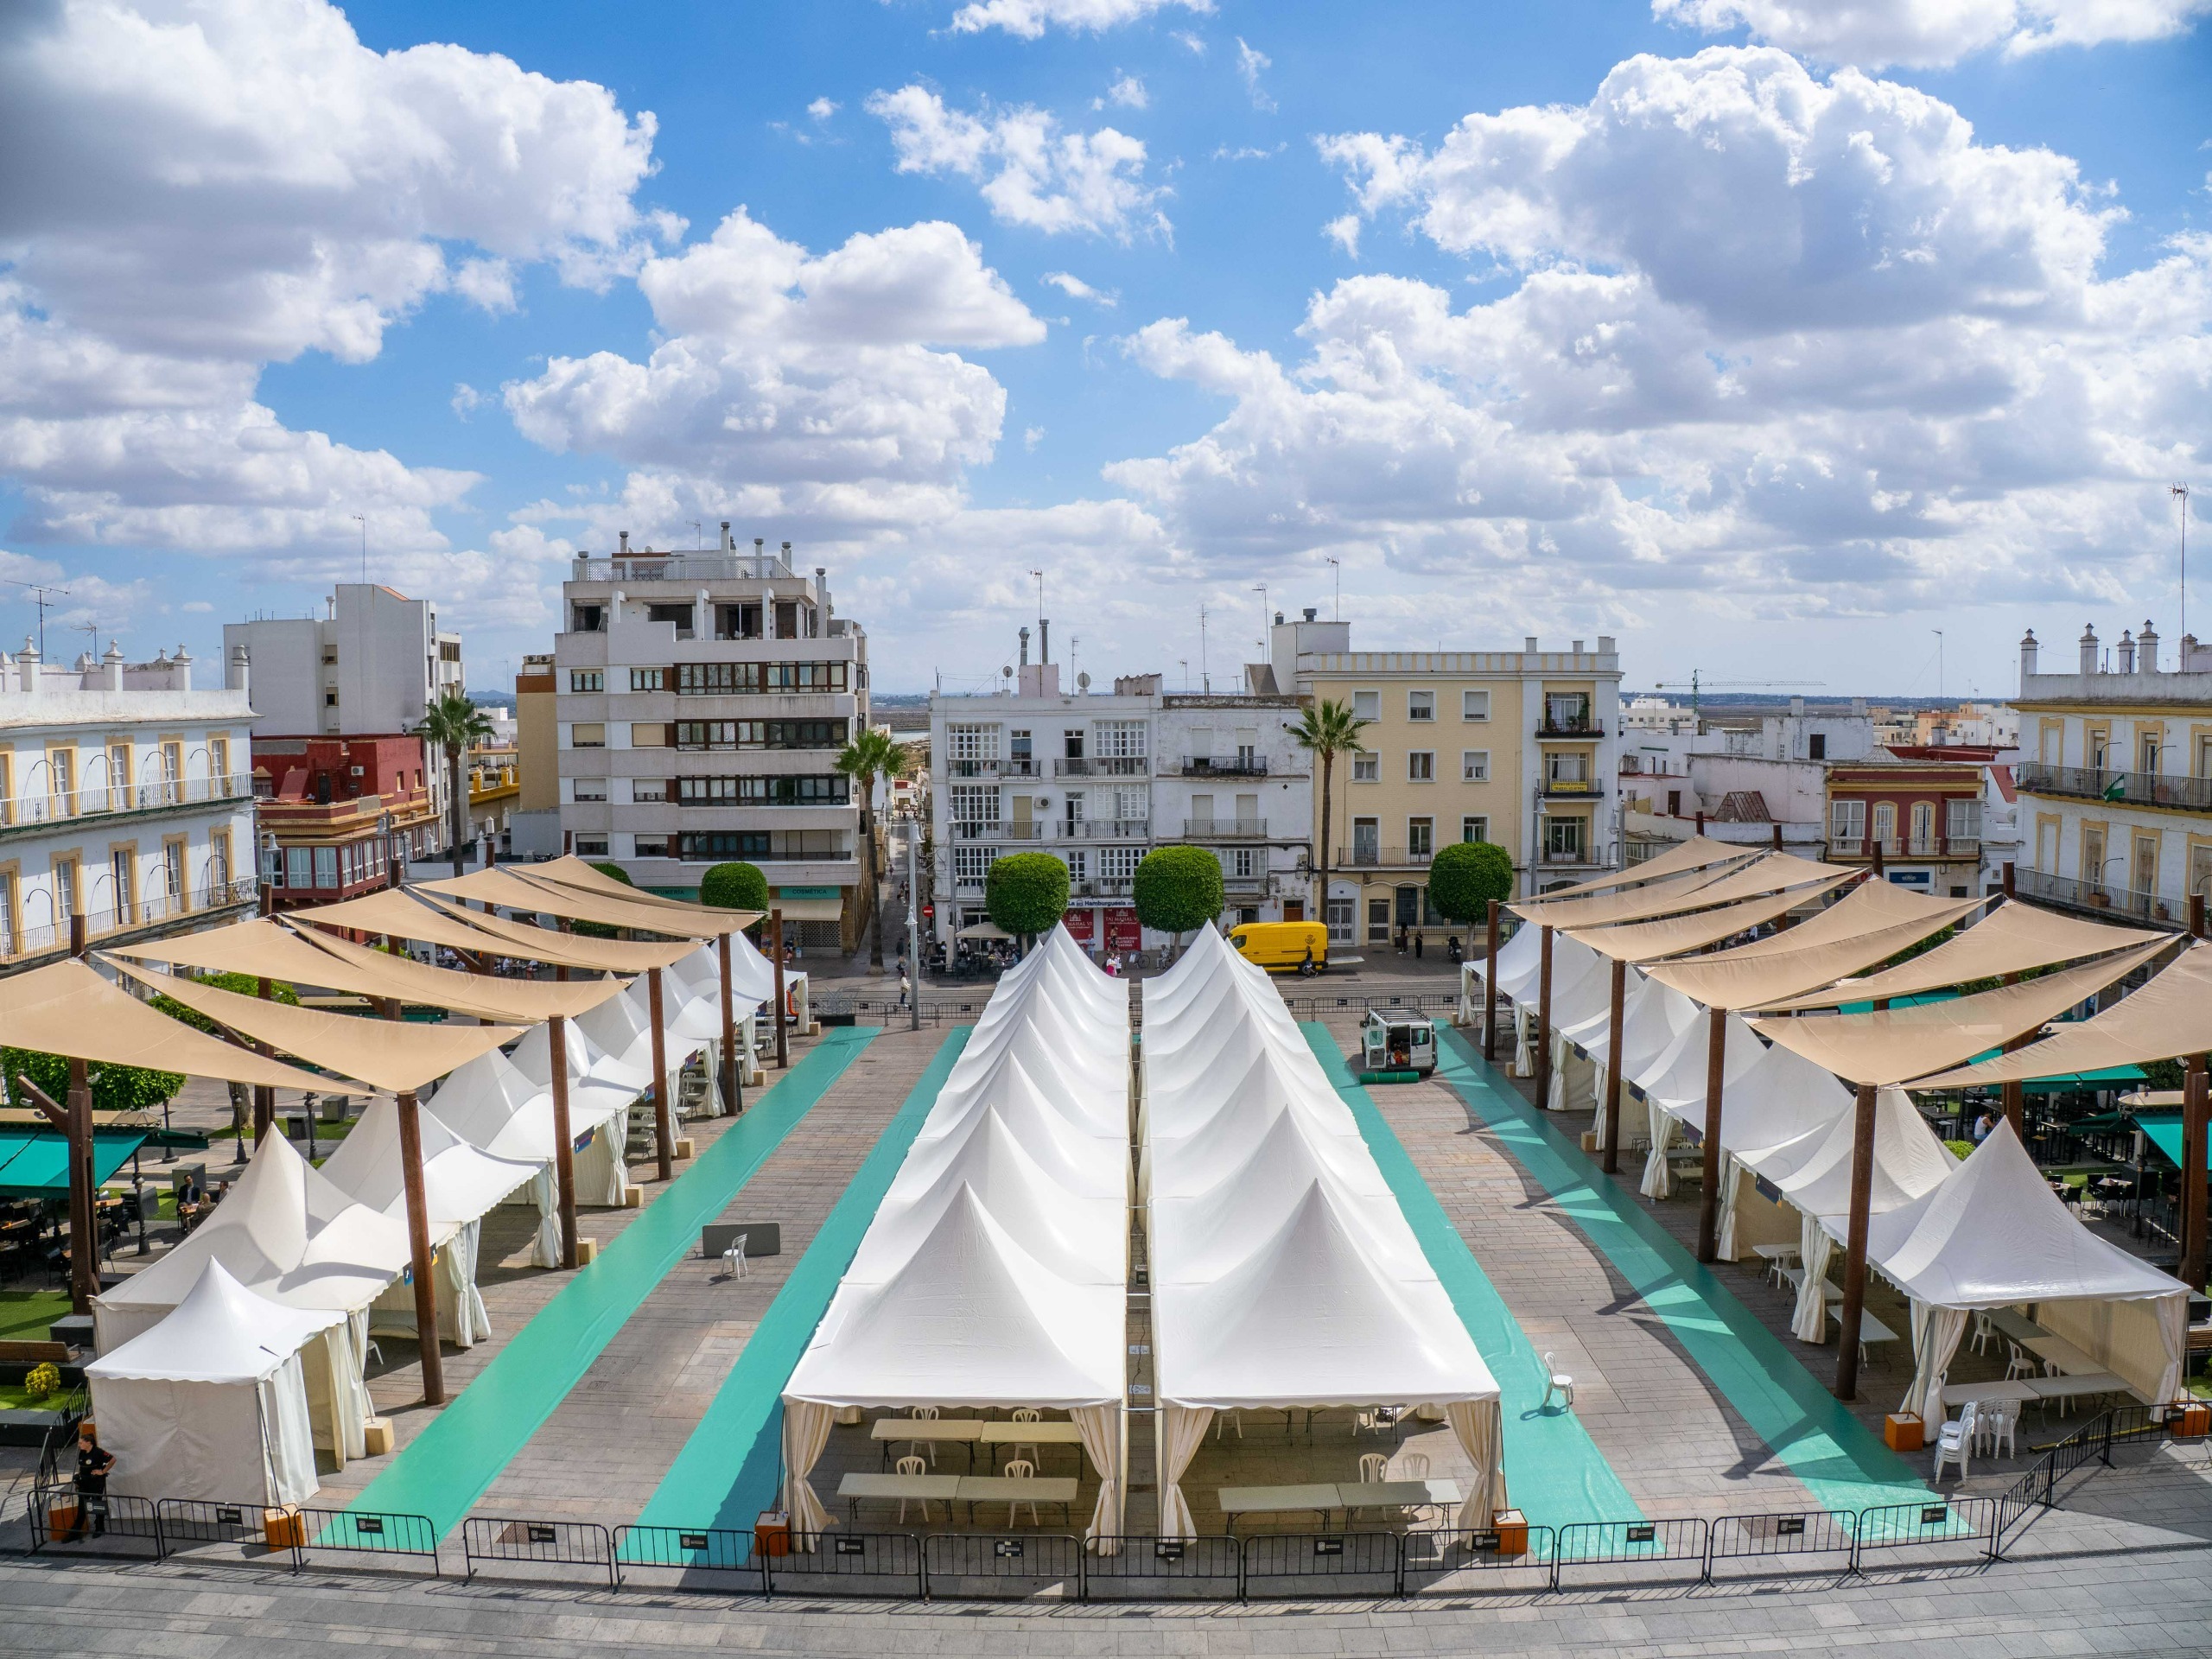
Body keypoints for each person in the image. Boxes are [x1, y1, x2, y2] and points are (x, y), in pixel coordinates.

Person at [73, 1421, 114, 1538]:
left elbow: (112, 1460)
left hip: (95, 1482)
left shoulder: (98, 1452)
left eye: (81, 1443)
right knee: (82, 1506)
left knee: (97, 1504)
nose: (79, 1445)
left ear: (89, 1443)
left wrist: (103, 1471)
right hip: (84, 1482)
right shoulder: (82, 1453)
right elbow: (82, 1466)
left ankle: (100, 1527)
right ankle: (76, 1531)